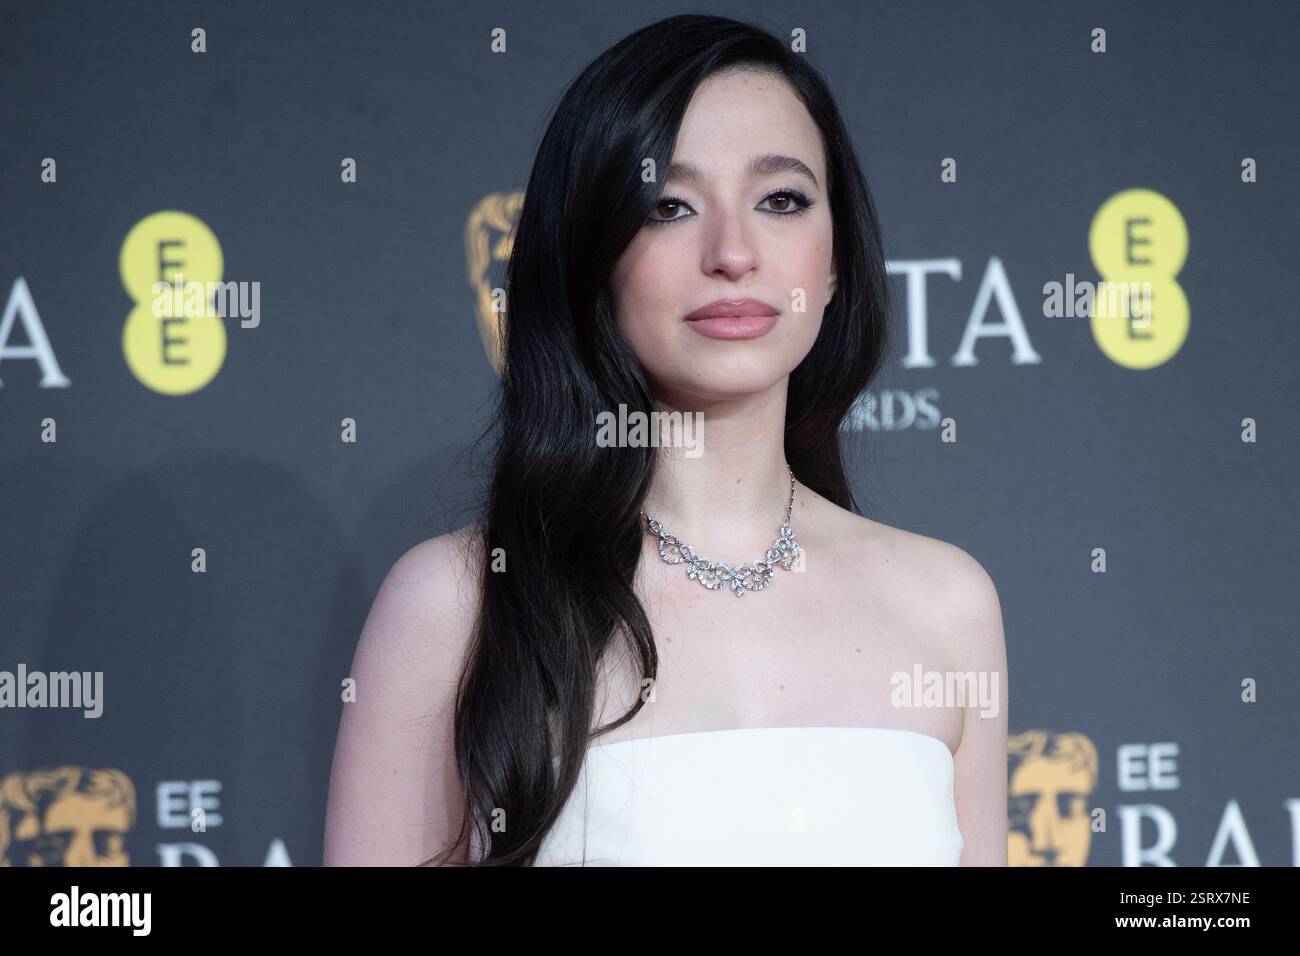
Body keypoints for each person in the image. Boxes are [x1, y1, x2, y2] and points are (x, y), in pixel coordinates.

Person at [323, 13, 1008, 867]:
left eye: (782, 200)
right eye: (669, 206)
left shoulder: (946, 608)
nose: (731, 252)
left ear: (834, 262)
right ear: (591, 255)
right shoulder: (458, 609)